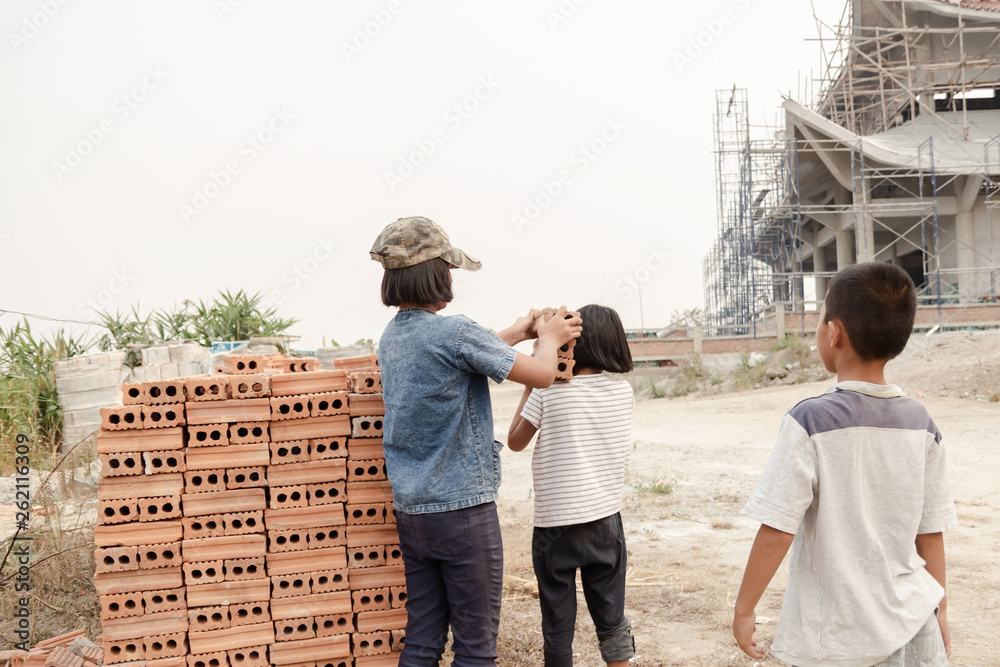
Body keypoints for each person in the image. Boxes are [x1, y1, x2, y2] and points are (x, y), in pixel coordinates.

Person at [370, 216, 582, 665]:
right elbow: (543, 374)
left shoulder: (393, 338)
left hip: (414, 513)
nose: (452, 278)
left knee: (424, 636)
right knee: (475, 644)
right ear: (435, 274)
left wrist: (519, 333)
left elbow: (461, 352)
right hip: (463, 513)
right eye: (449, 269)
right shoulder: (454, 332)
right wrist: (549, 337)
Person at [733, 262, 959, 667]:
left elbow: (778, 528)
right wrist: (940, 609)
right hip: (913, 619)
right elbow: (931, 531)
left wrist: (744, 609)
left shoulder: (810, 421)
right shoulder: (921, 422)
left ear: (833, 333)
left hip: (839, 634)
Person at [508, 304, 636, 666]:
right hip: (604, 522)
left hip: (555, 527)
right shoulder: (622, 392)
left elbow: (516, 442)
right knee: (611, 618)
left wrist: (536, 376)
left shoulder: (548, 393)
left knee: (558, 625)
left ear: (572, 343)